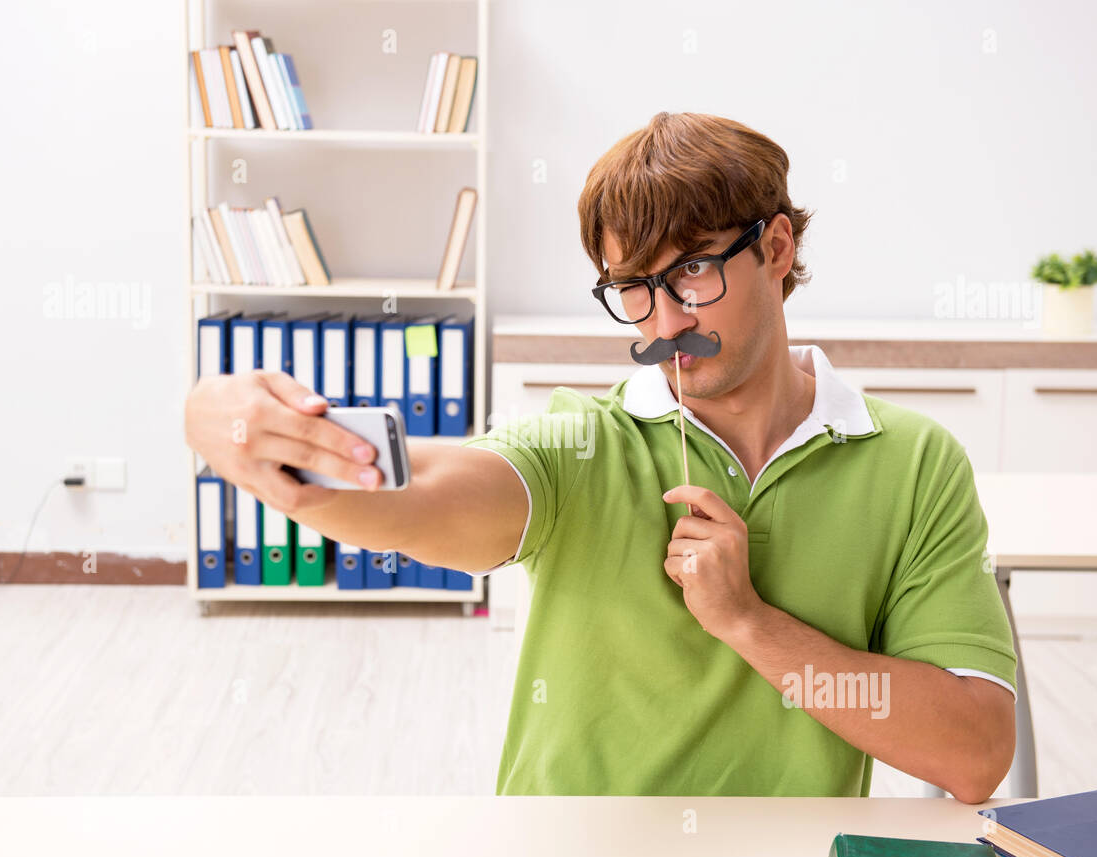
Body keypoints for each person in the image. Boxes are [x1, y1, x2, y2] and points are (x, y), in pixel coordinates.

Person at [184, 111, 1017, 803]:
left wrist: (748, 622)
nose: (662, 323)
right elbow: (423, 491)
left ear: (776, 248)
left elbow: (976, 755)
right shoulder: (581, 447)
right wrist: (245, 436)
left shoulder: (914, 463)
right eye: (632, 287)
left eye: (690, 271)